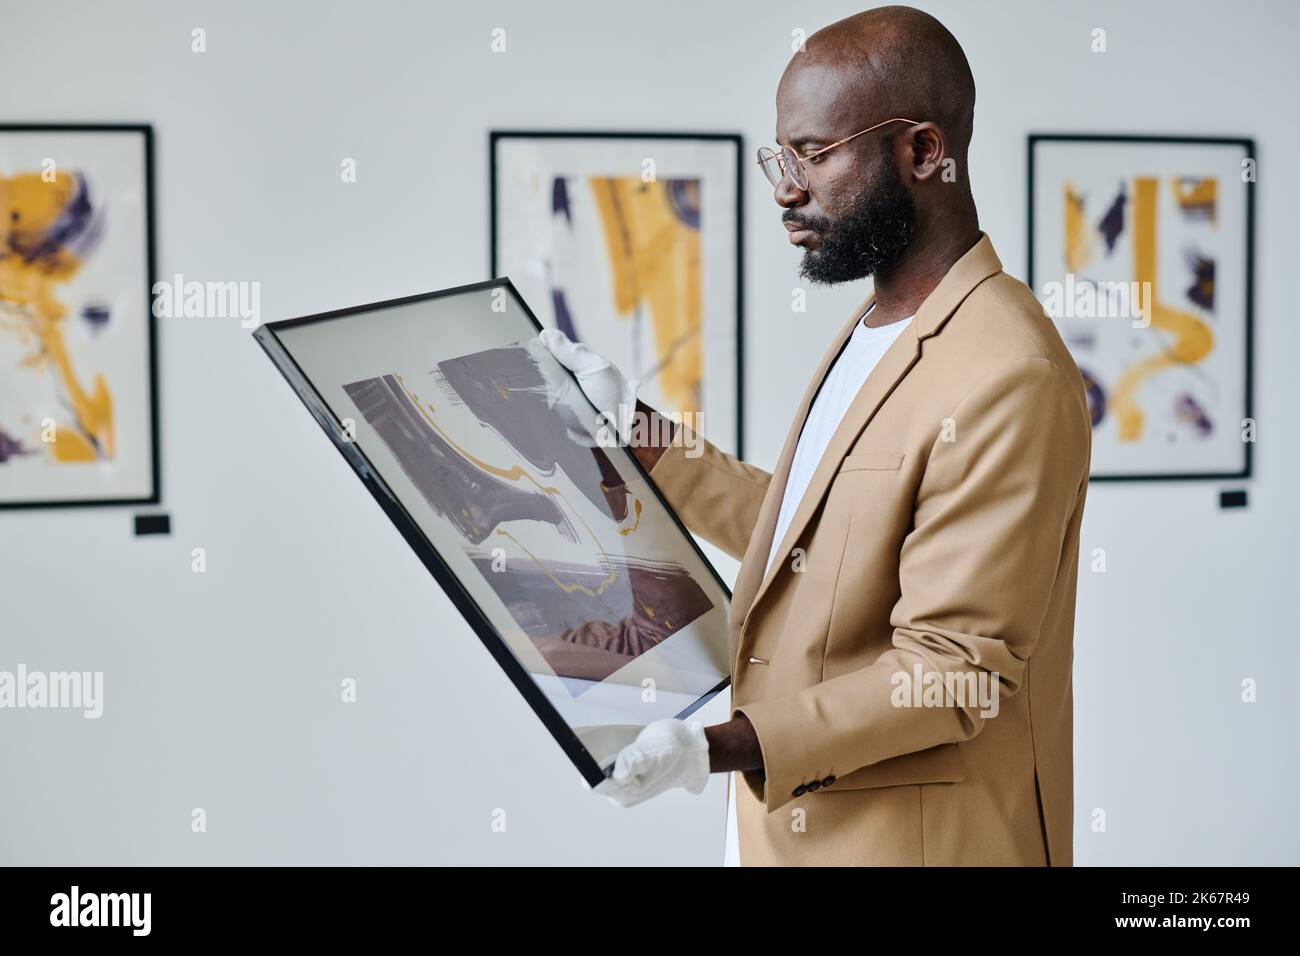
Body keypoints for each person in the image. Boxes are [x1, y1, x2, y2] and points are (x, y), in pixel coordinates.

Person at [536, 4, 1091, 866]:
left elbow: (953, 669)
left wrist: (714, 747)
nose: (786, 188)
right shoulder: (883, 325)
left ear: (923, 152)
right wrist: (633, 430)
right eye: (781, 156)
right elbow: (813, 536)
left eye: (815, 154)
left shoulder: (1009, 372)